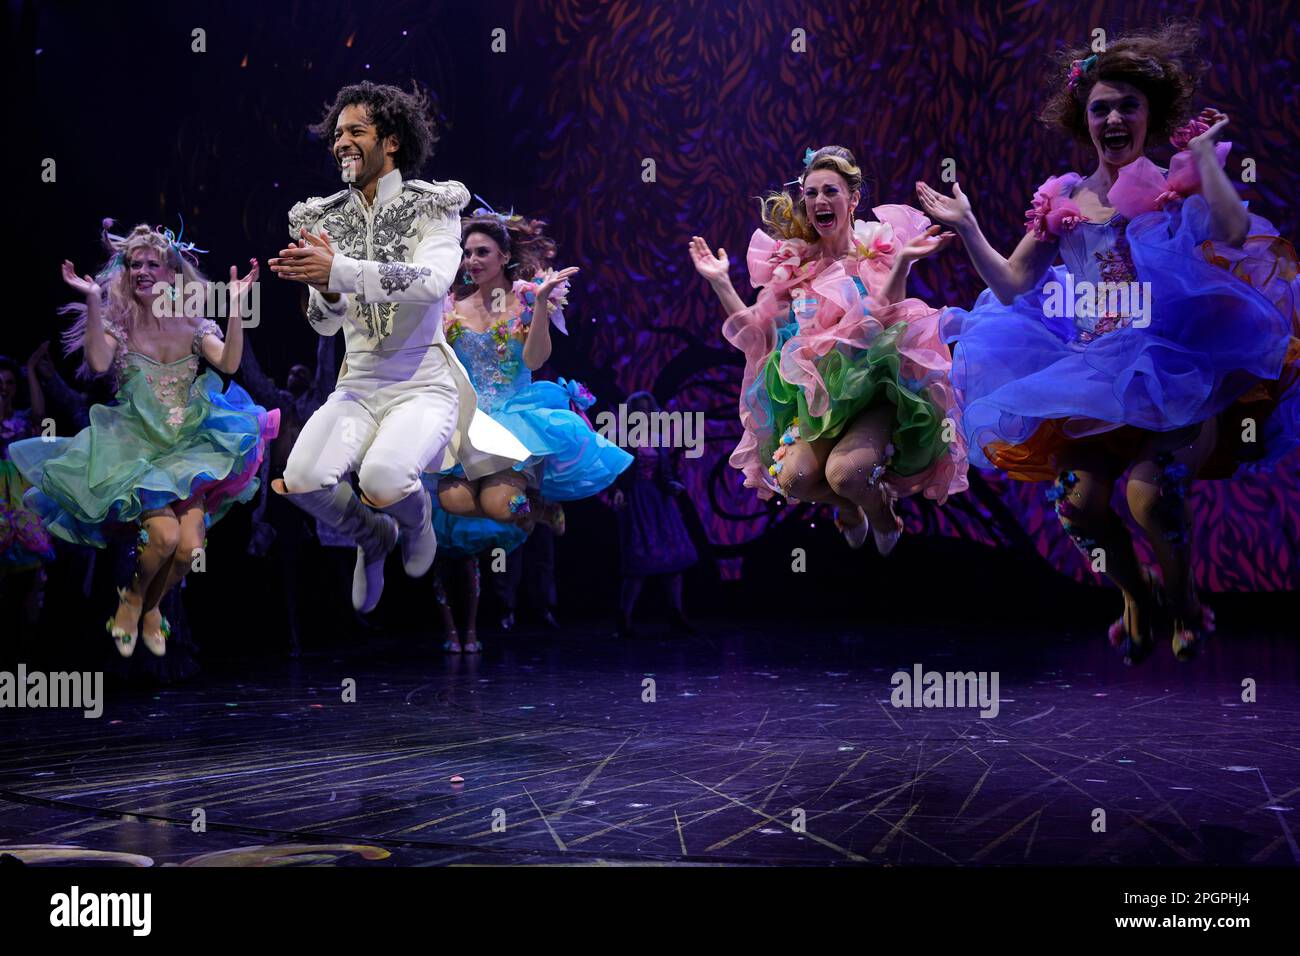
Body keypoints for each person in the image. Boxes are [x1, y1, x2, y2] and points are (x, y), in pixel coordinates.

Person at [916, 21, 1299, 662]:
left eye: (1128, 105)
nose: (1114, 118)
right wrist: (969, 225)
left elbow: (1234, 232)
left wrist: (1205, 162)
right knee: (1079, 506)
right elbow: (1012, 284)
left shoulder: (1175, 181)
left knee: (1151, 496)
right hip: (1093, 367)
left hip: (1176, 363)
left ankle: (1183, 600)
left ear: (1151, 114)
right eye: (1101, 108)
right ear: (1083, 119)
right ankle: (1134, 594)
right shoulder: (1064, 196)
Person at [268, 81, 528, 615]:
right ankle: (372, 536)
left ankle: (416, 522)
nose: (341, 142)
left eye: (355, 131)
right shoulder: (321, 218)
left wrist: (339, 269)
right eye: (337, 133)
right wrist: (326, 288)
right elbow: (322, 325)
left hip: (421, 382)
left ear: (389, 141)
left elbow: (433, 281)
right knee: (301, 480)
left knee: (384, 478)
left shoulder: (432, 206)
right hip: (358, 383)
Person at [10, 221, 272, 657]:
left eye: (153, 263)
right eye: (135, 264)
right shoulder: (120, 324)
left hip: (187, 446)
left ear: (172, 273)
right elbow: (96, 362)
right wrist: (93, 299)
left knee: (189, 549)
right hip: (135, 450)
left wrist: (238, 307)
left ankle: (151, 606)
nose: (143, 270)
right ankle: (131, 600)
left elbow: (228, 364)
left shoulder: (192, 323)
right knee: (164, 538)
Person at [692, 145, 969, 555]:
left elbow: (884, 316)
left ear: (853, 199)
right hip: (818, 403)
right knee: (793, 479)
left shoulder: (876, 251)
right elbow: (755, 335)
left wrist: (904, 263)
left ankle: (879, 512)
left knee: (847, 473)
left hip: (874, 396)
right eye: (812, 192)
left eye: (831, 192)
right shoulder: (794, 263)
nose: (820, 201)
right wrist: (720, 281)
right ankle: (847, 509)